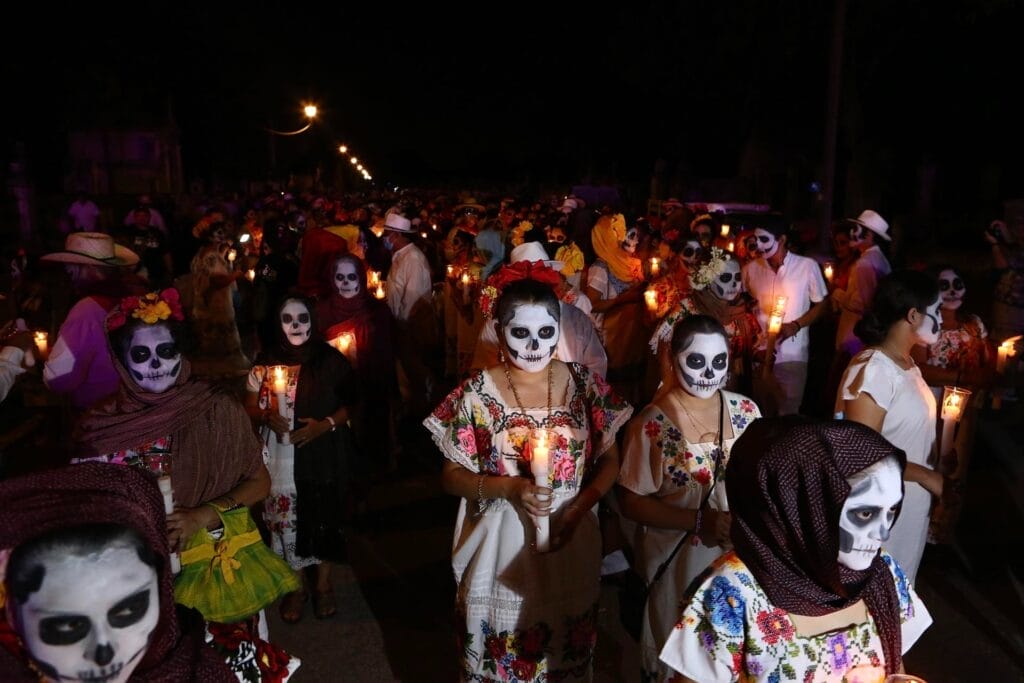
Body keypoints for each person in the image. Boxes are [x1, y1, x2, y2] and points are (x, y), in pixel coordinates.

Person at [71, 289, 300, 680]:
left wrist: (202, 515)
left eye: (166, 351)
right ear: (122, 360)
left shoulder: (215, 408)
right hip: (136, 591)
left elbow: (259, 482)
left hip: (216, 575)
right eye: (141, 355)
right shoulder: (99, 429)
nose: (157, 365)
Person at [424, 271, 633, 681]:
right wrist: (510, 487)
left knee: (564, 657)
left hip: (571, 540)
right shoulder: (476, 393)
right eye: (522, 332)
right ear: (499, 332)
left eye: (546, 332)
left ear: (561, 329)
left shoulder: (583, 384)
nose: (535, 346)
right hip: (502, 544)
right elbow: (451, 475)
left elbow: (610, 461)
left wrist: (579, 509)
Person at [659, 416, 933, 681]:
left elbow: (895, 668)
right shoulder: (732, 594)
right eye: (864, 514)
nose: (884, 532)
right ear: (802, 507)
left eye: (891, 510)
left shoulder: (882, 575)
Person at [618, 315, 761, 681]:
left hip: (737, 562)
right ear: (673, 356)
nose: (708, 373)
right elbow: (633, 501)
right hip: (676, 565)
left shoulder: (746, 413)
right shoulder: (650, 425)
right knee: (682, 659)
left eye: (719, 362)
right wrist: (700, 522)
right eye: (696, 360)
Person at [0, 462, 236, 681]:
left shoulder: (212, 670)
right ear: (11, 611)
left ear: (161, 590)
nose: (104, 653)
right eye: (68, 626)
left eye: (129, 610)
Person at [247, 295, 358, 624]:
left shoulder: (331, 360)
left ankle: (323, 586)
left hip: (321, 457)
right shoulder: (264, 362)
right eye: (287, 319)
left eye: (302, 318)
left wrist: (325, 425)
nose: (296, 326)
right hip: (280, 459)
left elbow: (353, 402)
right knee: (283, 521)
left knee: (321, 513)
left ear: (313, 320)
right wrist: (265, 414)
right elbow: (248, 403)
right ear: (277, 324)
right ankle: (295, 587)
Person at [835, 269, 944, 583]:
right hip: (877, 514)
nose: (943, 319)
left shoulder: (908, 365)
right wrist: (926, 475)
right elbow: (859, 453)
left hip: (909, 511)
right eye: (935, 312)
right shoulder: (874, 369)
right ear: (913, 315)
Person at [40, 232, 144, 410]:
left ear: (89, 267)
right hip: (134, 406)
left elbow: (61, 379)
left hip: (102, 415)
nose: (67, 270)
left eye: (72, 264)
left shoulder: (86, 311)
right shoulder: (133, 299)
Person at [317, 253, 397, 483]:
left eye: (351, 277)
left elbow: (386, 353)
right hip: (336, 387)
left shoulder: (377, 311)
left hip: (370, 384)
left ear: (360, 279)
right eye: (339, 277)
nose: (345, 283)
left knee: (371, 432)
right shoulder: (323, 311)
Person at [741, 220, 829, 415]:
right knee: (761, 412)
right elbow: (740, 303)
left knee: (788, 413)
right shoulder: (750, 269)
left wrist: (796, 325)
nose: (760, 245)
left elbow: (822, 304)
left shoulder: (806, 266)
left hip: (793, 354)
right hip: (760, 355)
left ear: (782, 239)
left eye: (765, 239)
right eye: (756, 239)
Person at [650, 249, 762, 397]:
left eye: (738, 277)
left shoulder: (741, 311)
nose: (734, 284)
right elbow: (664, 351)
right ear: (707, 280)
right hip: (693, 391)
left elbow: (752, 347)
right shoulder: (686, 310)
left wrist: (760, 355)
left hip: (731, 393)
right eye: (726, 277)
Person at [382, 213, 437, 421]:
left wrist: (403, 324)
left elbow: (413, 298)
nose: (385, 239)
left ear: (395, 235)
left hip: (411, 324)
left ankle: (421, 409)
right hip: (400, 323)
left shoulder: (412, 259)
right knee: (406, 368)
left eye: (386, 234)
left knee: (414, 367)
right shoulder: (400, 256)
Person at [987, 214, 1024, 340]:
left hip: (1017, 311)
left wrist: (1000, 243)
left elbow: (1006, 265)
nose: (1018, 228)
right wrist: (998, 243)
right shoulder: (1012, 247)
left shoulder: (1015, 249)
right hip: (1004, 308)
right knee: (1002, 346)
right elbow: (1002, 267)